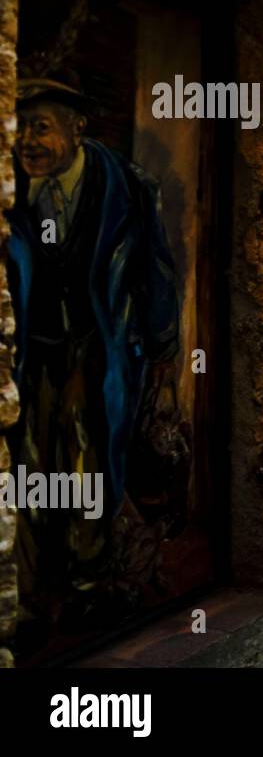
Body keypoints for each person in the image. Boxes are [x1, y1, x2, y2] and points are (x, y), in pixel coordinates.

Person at [6, 77, 180, 631]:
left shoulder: (125, 187)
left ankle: (89, 581)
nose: (28, 140)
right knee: (31, 464)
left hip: (96, 351)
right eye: (21, 127)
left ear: (77, 130)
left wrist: (161, 345)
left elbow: (154, 270)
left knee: (89, 464)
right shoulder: (13, 193)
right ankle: (34, 591)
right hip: (33, 356)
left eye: (41, 127)